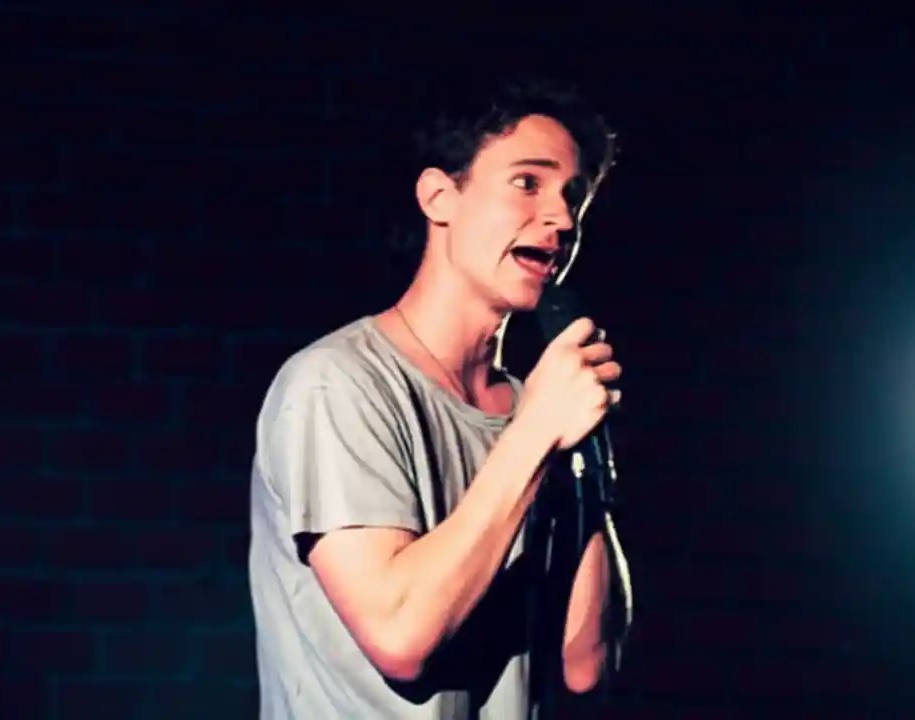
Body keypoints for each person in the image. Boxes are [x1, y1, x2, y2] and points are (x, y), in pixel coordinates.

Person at [247, 74, 632, 719]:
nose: (562, 220)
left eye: (574, 198)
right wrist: (536, 435)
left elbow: (585, 664)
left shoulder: (538, 410)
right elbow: (401, 635)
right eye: (527, 183)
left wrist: (584, 456)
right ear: (438, 197)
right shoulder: (337, 383)